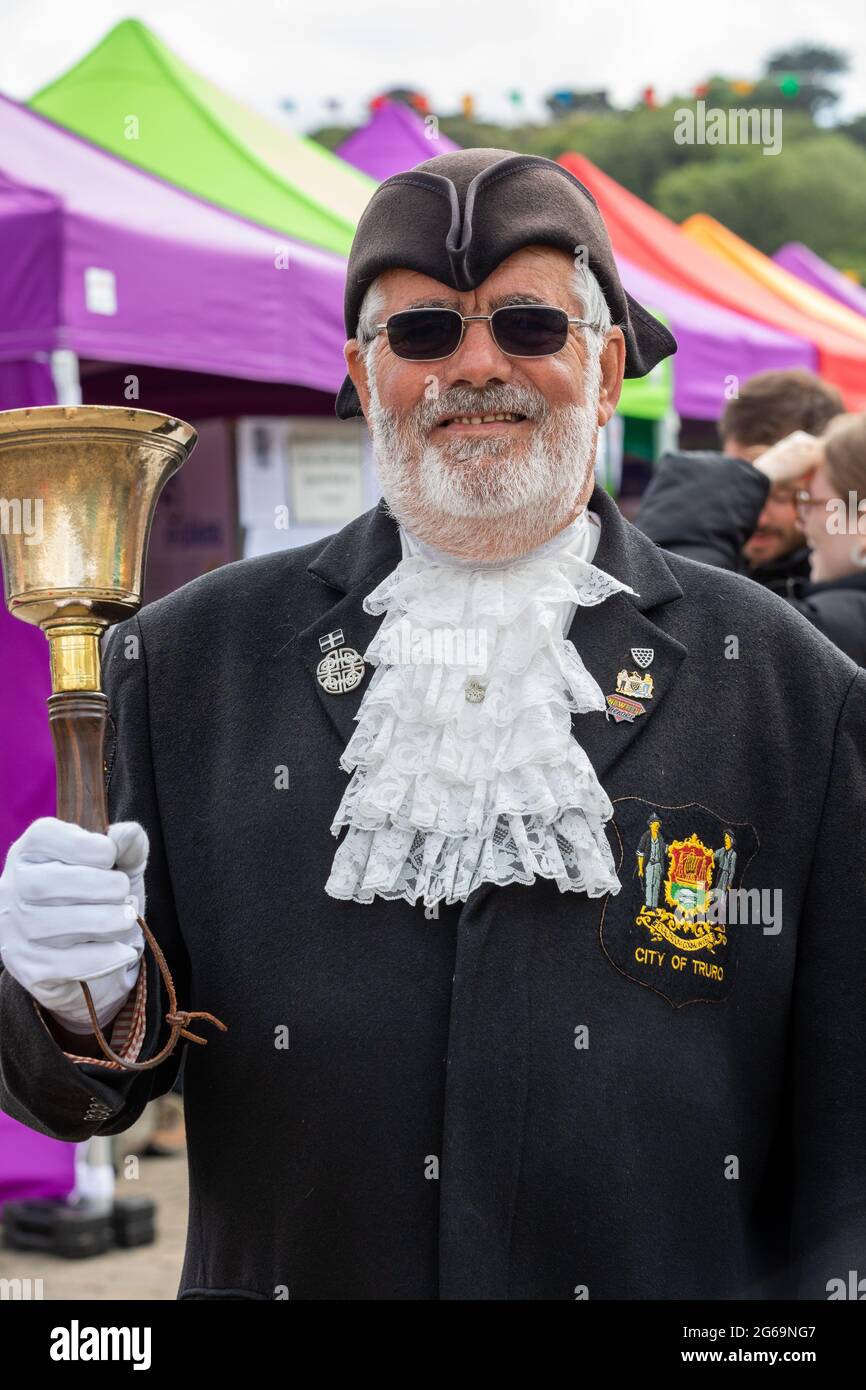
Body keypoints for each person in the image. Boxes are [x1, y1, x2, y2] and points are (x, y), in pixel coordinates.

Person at [1, 148, 865, 1302]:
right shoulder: (186, 659)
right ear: (362, 377)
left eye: (527, 327)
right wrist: (68, 999)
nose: (472, 366)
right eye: (418, 334)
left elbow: (845, 1160)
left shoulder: (788, 685)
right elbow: (92, 1094)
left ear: (606, 367)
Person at [636, 368, 845, 594]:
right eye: (739, 488)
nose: (758, 517)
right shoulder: (719, 547)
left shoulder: (838, 589)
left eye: (782, 493)